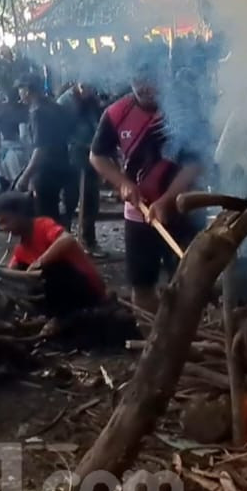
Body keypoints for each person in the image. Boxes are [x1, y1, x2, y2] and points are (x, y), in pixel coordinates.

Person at [89, 70, 202, 314]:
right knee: (141, 286)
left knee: (187, 281)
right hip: (138, 214)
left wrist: (166, 200)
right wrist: (122, 182)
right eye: (137, 79)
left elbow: (196, 163)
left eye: (150, 77)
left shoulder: (183, 111)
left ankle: (188, 337)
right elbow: (96, 155)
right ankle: (151, 339)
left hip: (183, 210)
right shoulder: (116, 113)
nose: (143, 86)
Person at [0, 191, 106, 318]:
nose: (2, 227)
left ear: (21, 214)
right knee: (22, 281)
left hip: (89, 290)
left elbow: (67, 240)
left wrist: (39, 263)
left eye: (5, 221)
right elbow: (11, 273)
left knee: (51, 269)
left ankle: (61, 317)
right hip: (69, 298)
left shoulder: (43, 225)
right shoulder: (21, 249)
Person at [15, 75, 74, 223]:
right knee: (54, 215)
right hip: (62, 167)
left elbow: (41, 150)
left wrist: (25, 176)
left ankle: (51, 244)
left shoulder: (38, 112)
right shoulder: (54, 106)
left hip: (45, 174)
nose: (19, 94)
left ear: (28, 90)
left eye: (20, 89)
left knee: (45, 217)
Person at [58, 82, 105, 249]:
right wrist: (77, 145)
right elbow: (59, 132)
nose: (91, 91)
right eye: (88, 87)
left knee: (91, 199)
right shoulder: (65, 103)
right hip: (71, 158)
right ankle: (62, 240)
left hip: (91, 155)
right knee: (69, 199)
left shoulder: (93, 100)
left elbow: (99, 125)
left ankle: (88, 241)